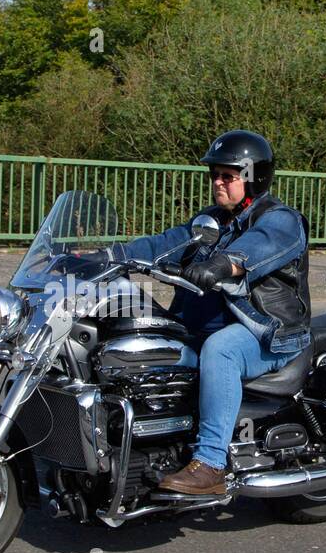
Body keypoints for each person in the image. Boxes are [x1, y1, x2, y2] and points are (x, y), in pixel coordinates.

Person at [103, 130, 313, 495]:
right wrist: (109, 256)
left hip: (267, 332)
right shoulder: (211, 221)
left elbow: (255, 249)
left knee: (221, 349)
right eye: (214, 175)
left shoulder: (281, 220)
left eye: (228, 176)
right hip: (199, 327)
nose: (217, 182)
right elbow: (166, 243)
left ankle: (211, 464)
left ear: (252, 177)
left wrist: (222, 265)